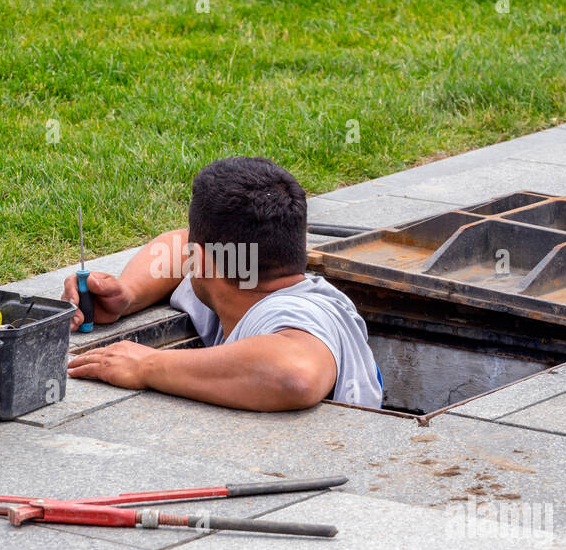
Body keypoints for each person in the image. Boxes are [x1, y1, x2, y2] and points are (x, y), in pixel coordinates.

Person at [63, 156, 383, 411]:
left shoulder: (293, 311)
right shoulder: (243, 283)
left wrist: (147, 365)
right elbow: (175, 245)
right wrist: (128, 294)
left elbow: (295, 375)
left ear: (200, 262)